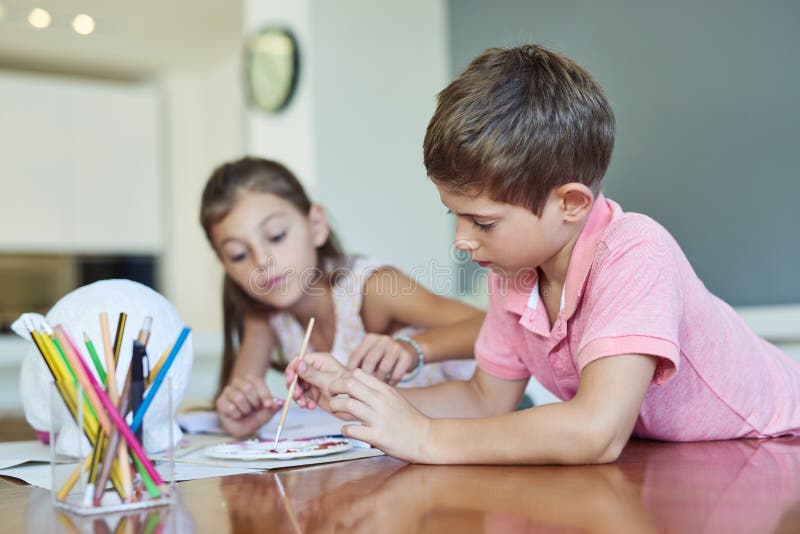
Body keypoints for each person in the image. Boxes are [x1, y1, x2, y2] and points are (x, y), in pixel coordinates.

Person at [287, 44, 800, 465]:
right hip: (689, 460)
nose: (462, 242)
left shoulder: (636, 251)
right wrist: (358, 397)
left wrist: (426, 439)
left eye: (483, 222)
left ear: (571, 204)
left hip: (774, 447)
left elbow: (597, 431)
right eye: (456, 217)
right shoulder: (512, 273)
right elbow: (484, 399)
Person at [200, 157, 483, 437]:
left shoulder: (372, 287)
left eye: (276, 236)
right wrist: (238, 415)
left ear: (316, 225)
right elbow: (239, 401)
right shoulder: (266, 317)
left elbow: (490, 328)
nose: (261, 261)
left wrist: (411, 348)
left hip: (477, 423)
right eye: (238, 254)